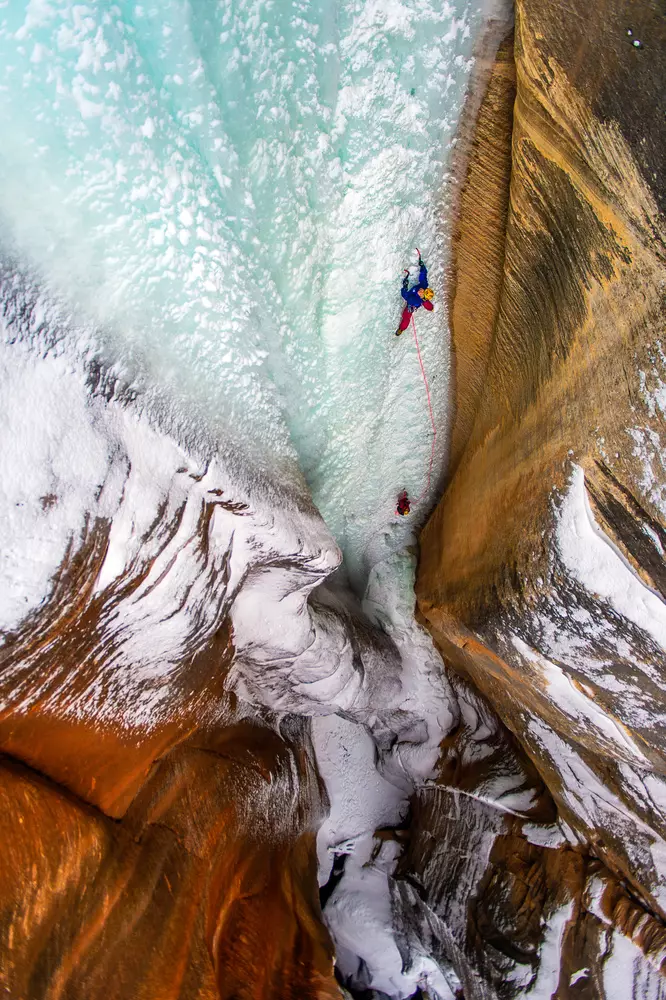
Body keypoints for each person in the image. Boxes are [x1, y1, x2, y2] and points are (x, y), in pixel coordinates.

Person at [395, 251, 434, 336]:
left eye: (422, 293)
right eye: (424, 290)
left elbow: (406, 296)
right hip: (414, 299)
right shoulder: (423, 285)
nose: (421, 290)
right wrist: (422, 266)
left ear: (422, 296)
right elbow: (423, 276)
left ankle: (401, 329)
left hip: (411, 305)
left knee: (406, 316)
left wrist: (404, 287)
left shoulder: (415, 300)